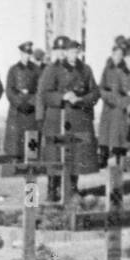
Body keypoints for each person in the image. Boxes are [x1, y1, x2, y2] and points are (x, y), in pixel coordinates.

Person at [36, 35, 100, 195]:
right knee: (55, 154)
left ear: (79, 52)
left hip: (78, 117)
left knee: (76, 154)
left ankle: (72, 188)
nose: (73, 55)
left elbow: (95, 92)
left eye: (75, 52)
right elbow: (44, 94)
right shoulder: (52, 69)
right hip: (57, 118)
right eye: (70, 52)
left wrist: (81, 99)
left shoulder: (86, 69)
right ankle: (52, 189)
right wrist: (62, 97)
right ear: (65, 53)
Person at [2, 41, 39, 162]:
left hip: (31, 107)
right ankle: (15, 158)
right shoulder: (13, 69)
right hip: (17, 108)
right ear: (20, 54)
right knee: (16, 135)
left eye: (28, 54)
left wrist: (32, 103)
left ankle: (31, 158)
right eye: (24, 53)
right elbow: (9, 89)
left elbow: (40, 89)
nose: (26, 56)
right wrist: (18, 103)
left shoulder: (36, 70)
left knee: (31, 133)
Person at [98, 38, 127, 165]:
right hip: (108, 105)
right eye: (116, 54)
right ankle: (103, 157)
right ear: (112, 54)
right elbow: (101, 87)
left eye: (121, 55)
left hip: (120, 105)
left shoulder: (126, 69)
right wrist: (107, 96)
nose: (118, 57)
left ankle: (120, 157)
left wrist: (122, 100)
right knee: (105, 131)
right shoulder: (107, 69)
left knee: (119, 132)